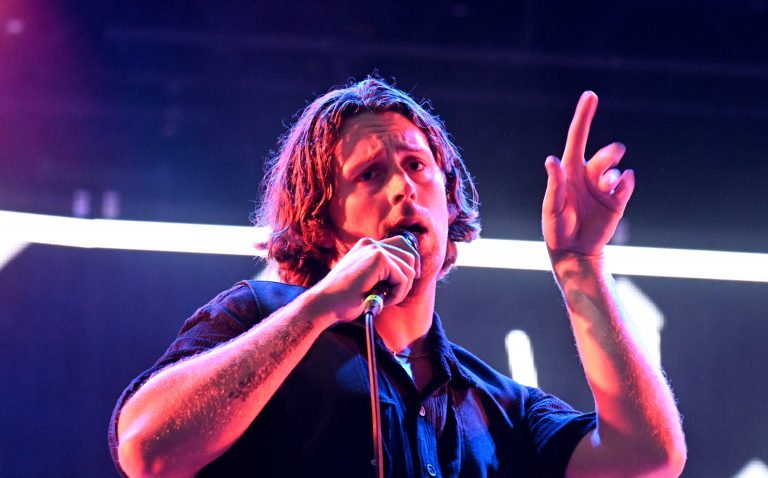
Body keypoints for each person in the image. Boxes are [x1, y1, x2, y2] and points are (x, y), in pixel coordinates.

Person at [110, 78, 687, 477]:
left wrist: (581, 265)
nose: (401, 187)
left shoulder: (496, 406)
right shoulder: (259, 315)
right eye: (368, 174)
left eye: (416, 166)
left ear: (449, 198)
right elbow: (147, 450)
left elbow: (649, 459)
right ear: (322, 222)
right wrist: (317, 307)